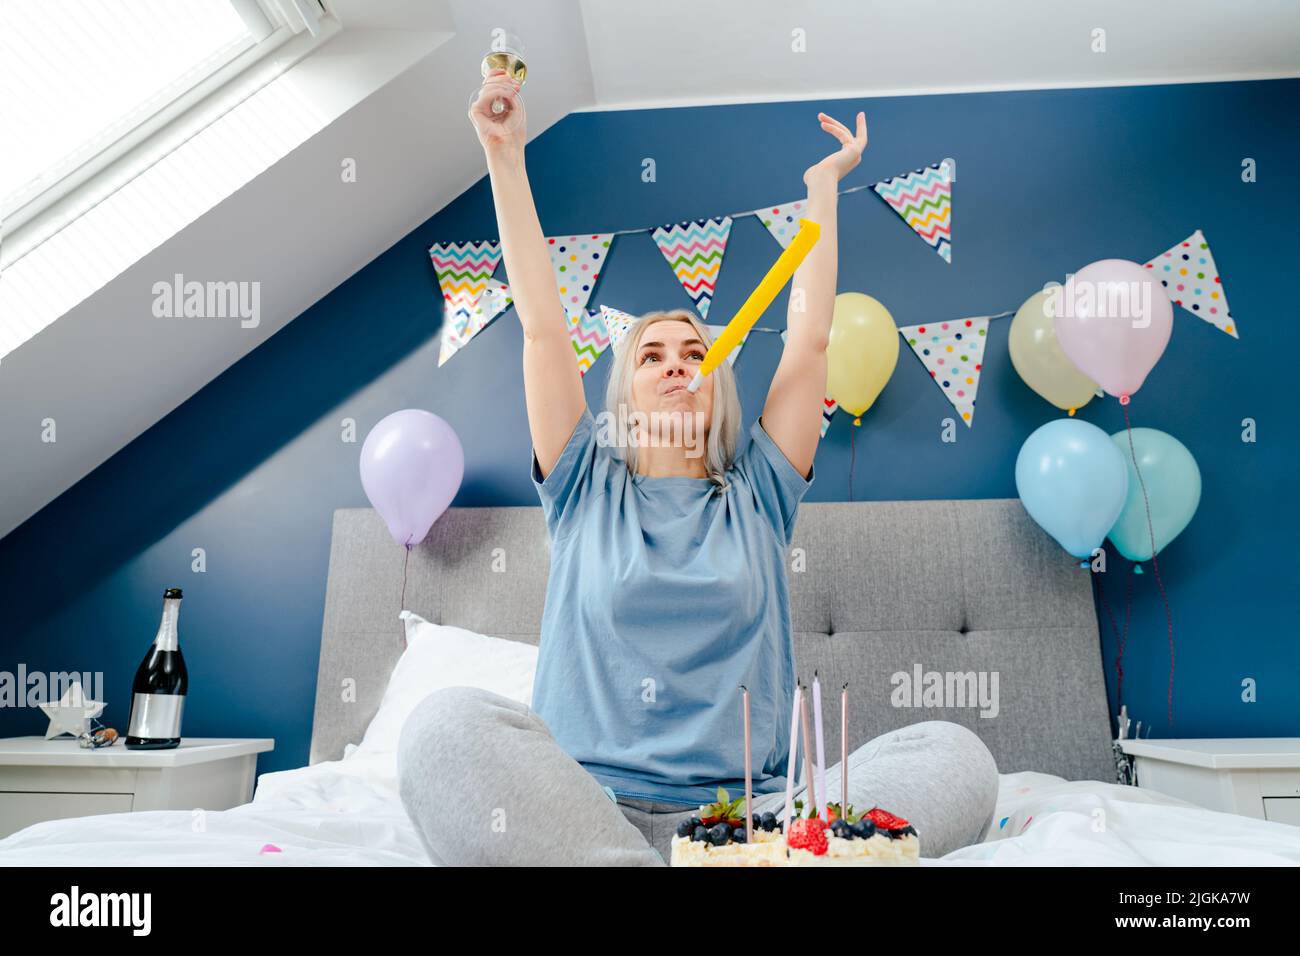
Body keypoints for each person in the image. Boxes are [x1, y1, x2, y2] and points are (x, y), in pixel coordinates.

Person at [397, 71, 998, 866]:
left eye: (695, 352)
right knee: (442, 727)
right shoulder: (583, 484)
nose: (679, 364)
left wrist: (823, 191)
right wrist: (504, 156)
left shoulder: (760, 490)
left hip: (752, 823)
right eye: (653, 354)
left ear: (719, 383)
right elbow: (544, 331)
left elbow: (810, 339)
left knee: (955, 753)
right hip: (584, 811)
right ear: (625, 388)